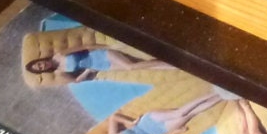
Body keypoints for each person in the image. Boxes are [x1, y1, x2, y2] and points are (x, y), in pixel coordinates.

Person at [98, 87, 238, 134]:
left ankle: (215, 92)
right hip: (160, 130)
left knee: (180, 112)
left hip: (146, 121)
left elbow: (114, 117)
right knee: (190, 114)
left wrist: (130, 122)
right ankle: (223, 96)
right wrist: (176, 132)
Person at [24, 44, 171, 83]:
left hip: (101, 54)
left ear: (41, 60)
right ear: (42, 71)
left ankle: (165, 60)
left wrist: (106, 47)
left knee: (130, 67)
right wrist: (88, 71)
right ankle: (171, 65)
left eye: (40, 63)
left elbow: (84, 47)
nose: (42, 65)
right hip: (101, 66)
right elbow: (76, 80)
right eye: (40, 68)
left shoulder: (60, 54)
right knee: (140, 66)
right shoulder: (60, 72)